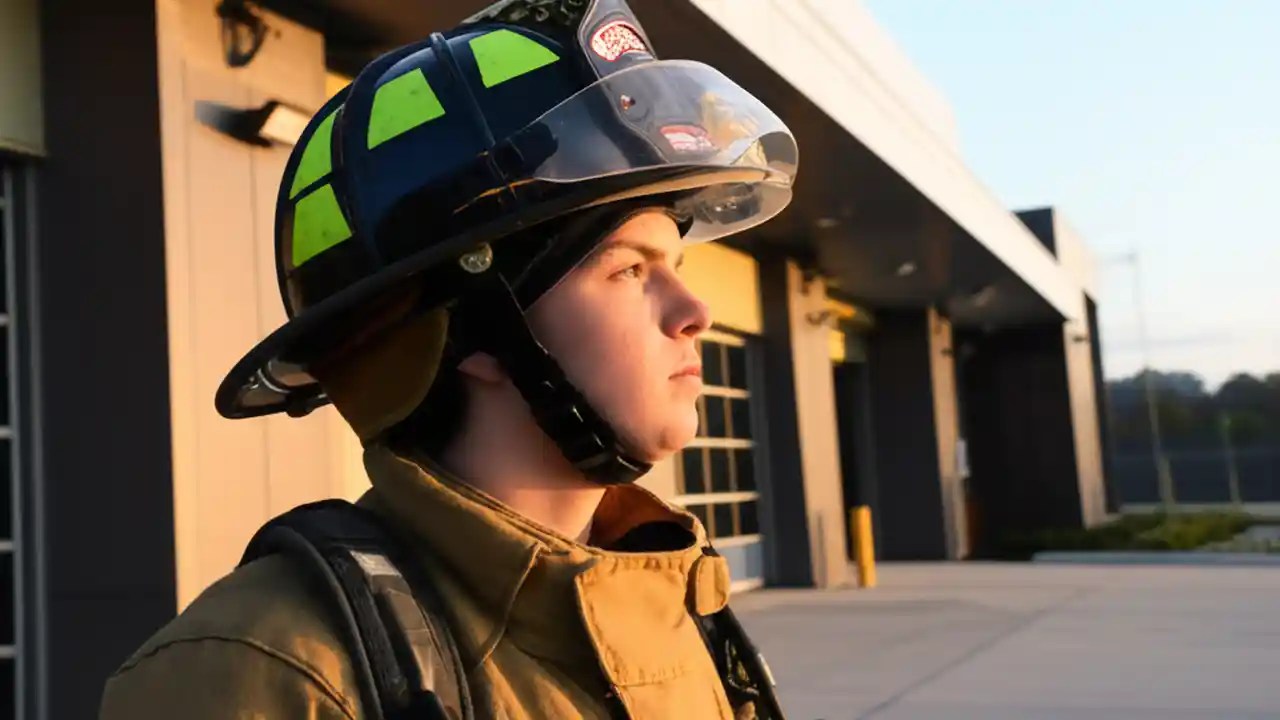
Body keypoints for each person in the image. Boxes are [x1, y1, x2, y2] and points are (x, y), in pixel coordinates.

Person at [99, 0, 797, 717]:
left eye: (677, 265)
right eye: (628, 270)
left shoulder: (678, 610)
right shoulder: (266, 674)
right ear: (477, 329)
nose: (695, 314)